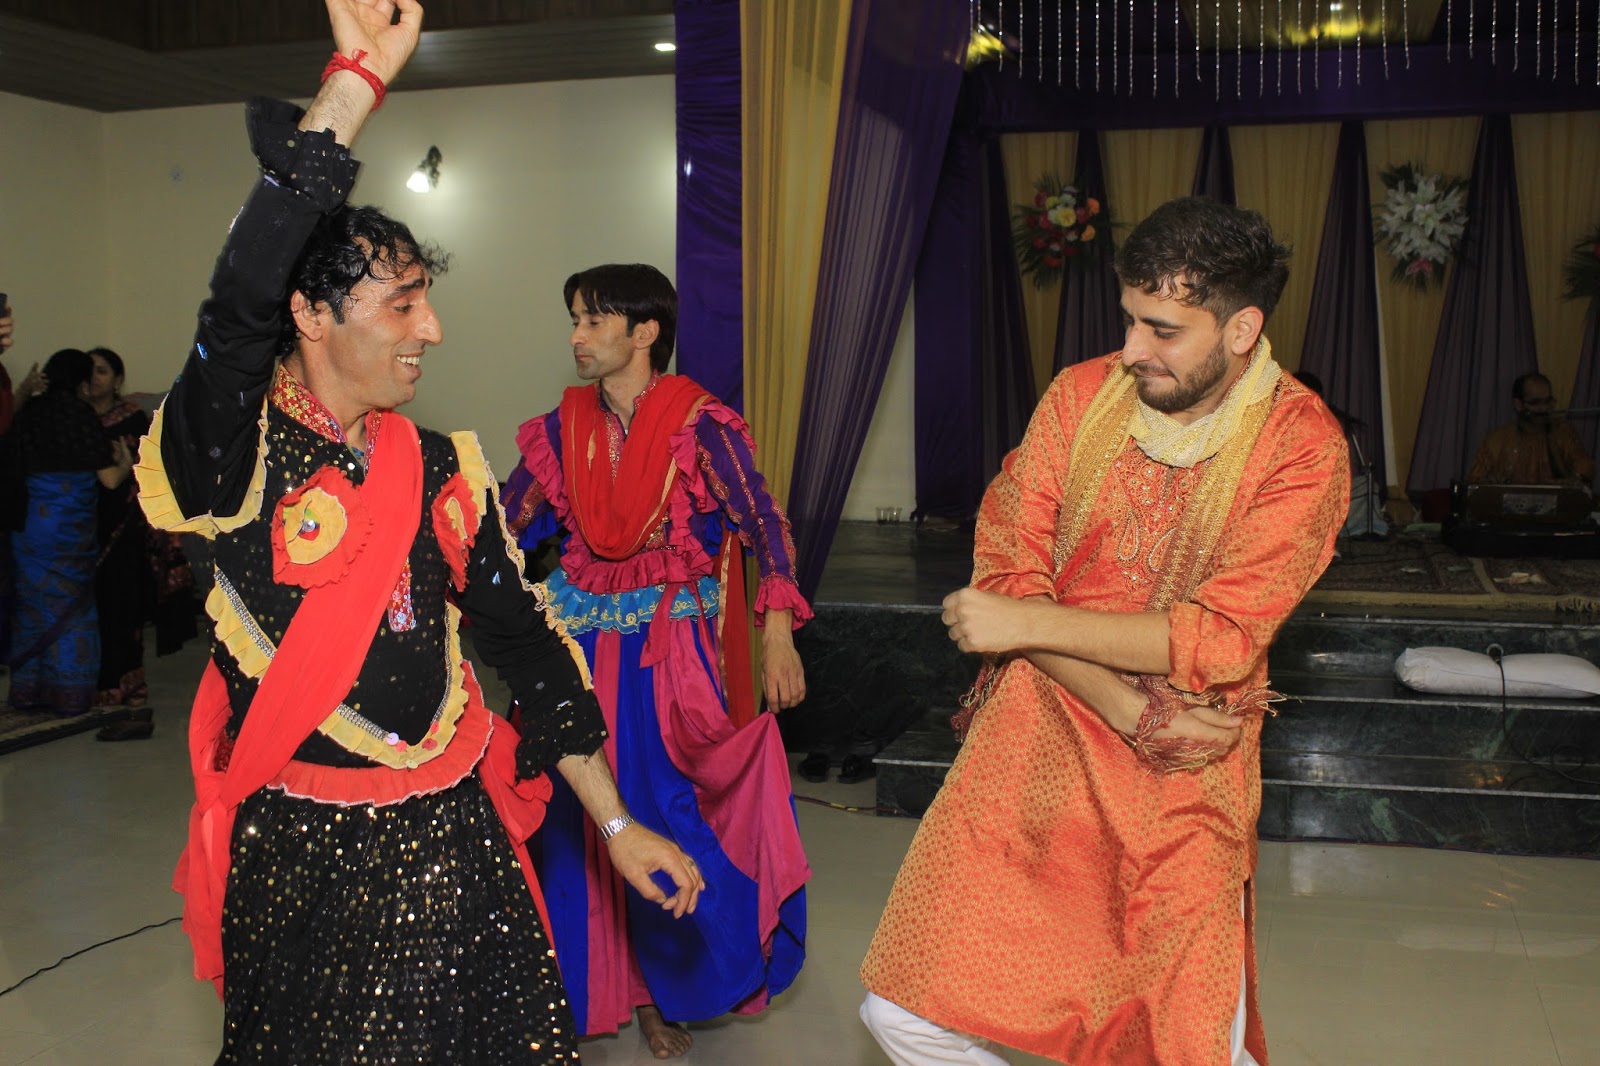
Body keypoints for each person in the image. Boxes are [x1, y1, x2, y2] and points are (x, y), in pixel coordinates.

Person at [135, 2, 701, 1060]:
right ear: (310, 314)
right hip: (303, 856)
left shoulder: (444, 466)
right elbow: (235, 305)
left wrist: (617, 825)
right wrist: (353, 83)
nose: (431, 329)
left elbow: (525, 645)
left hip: (458, 838)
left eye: (428, 301)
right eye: (402, 305)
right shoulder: (225, 456)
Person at [859, 197, 1349, 1066]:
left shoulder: (1300, 444)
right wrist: (1125, 706)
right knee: (904, 1013)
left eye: (1162, 330)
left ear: (1242, 329)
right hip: (1034, 743)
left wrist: (1026, 623)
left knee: (1182, 1041)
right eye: (1128, 321)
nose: (1131, 350)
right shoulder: (1084, 395)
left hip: (1185, 778)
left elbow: (1220, 637)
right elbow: (1008, 564)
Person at [501, 264, 811, 1058]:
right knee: (572, 818)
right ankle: (584, 989)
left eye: (594, 321)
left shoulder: (703, 425)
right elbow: (507, 531)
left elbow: (764, 526)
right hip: (575, 654)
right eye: (572, 319)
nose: (575, 336)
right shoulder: (559, 429)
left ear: (645, 332)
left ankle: (662, 990)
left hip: (669, 658)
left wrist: (776, 633)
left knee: (665, 809)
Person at [7, 348, 134, 716]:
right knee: (72, 608)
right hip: (69, 533)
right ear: (81, 382)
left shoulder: (28, 413)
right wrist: (126, 463)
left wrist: (22, 394)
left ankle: (28, 692)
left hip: (30, 528)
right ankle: (69, 694)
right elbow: (109, 480)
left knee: (32, 605)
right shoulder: (82, 416)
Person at [1467, 371, 1595, 487]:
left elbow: (1585, 466)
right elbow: (1474, 482)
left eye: (1547, 401)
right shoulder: (1497, 438)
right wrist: (1490, 483)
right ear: (1518, 405)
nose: (1543, 408)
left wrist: (1574, 479)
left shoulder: (1562, 431)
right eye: (1536, 402)